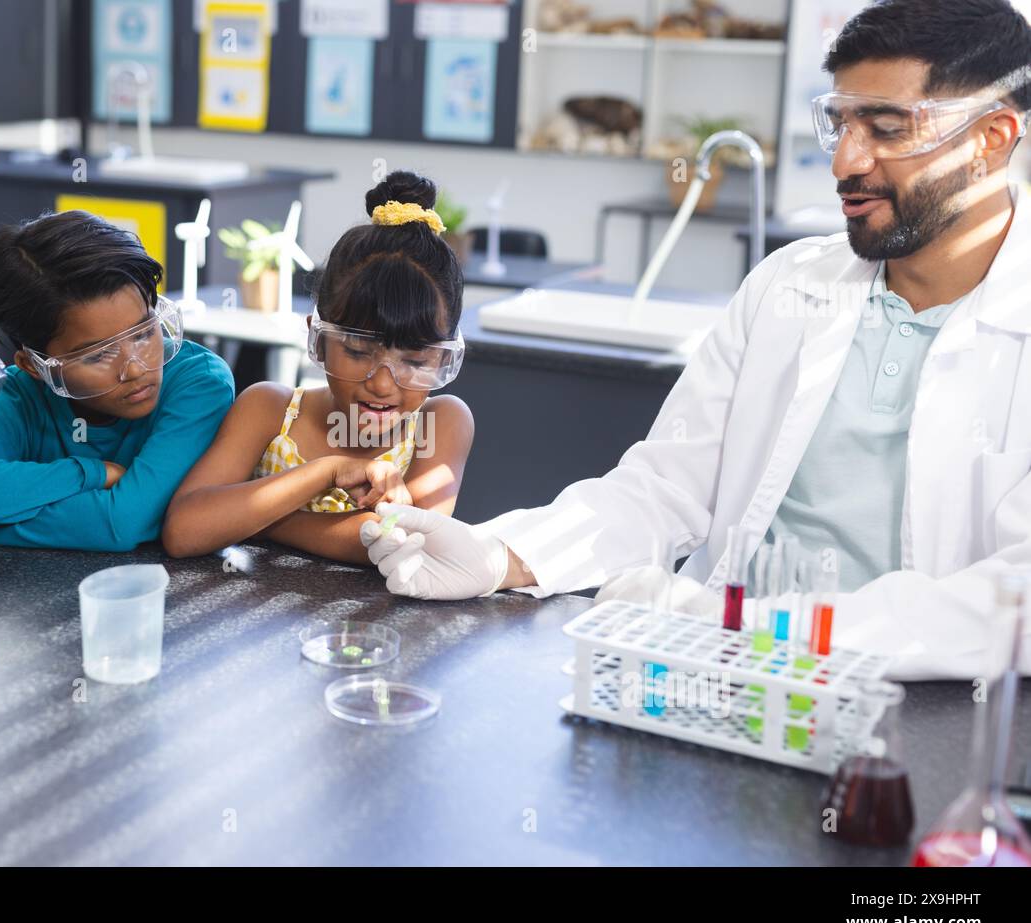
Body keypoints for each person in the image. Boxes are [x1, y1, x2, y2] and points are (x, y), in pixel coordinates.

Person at [362, 0, 1031, 679]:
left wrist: (766, 629)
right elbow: (664, 489)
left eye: (886, 128)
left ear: (992, 137)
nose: (846, 164)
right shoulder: (787, 286)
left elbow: (1016, 598)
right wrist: (502, 553)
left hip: (918, 717)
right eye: (840, 124)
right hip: (720, 686)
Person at [162, 171, 474, 564]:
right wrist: (326, 471)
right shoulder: (268, 409)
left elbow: (412, 545)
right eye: (358, 352)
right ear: (318, 338)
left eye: (414, 361)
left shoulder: (440, 421)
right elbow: (184, 531)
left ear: (443, 358)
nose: (382, 384)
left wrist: (265, 519)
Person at [0, 210, 234, 550]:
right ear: (35, 367)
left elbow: (121, 522)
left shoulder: (198, 383)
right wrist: (93, 473)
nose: (136, 369)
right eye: (98, 355)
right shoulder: (17, 394)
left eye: (143, 333)